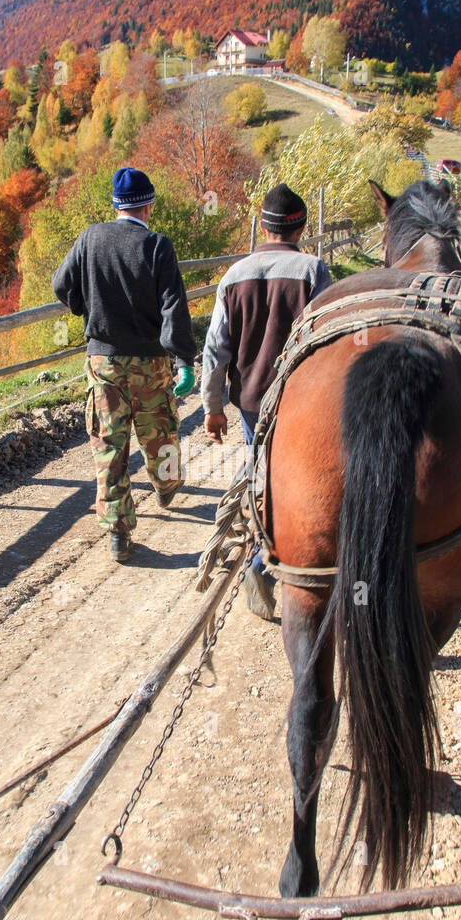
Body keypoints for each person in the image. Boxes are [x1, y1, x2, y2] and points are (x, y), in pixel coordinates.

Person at [52, 167, 196, 563]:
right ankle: (166, 487)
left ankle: (118, 533)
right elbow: (173, 307)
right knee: (161, 434)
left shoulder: (90, 239)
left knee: (110, 447)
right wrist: (183, 358)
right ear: (148, 204)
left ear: (116, 205)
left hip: (104, 362)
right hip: (151, 363)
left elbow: (61, 285)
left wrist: (87, 309)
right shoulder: (157, 246)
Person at [201, 183, 332, 618]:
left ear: (262, 225)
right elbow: (326, 339)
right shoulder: (314, 272)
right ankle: (278, 559)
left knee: (263, 480)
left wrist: (213, 406)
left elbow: (216, 348)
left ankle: (262, 556)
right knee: (301, 481)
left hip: (253, 402)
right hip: (302, 401)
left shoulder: (234, 276)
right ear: (302, 227)